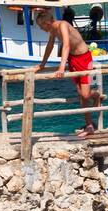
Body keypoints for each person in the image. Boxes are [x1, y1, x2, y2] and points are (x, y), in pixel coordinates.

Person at [35, 8, 100, 138]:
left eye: (40, 26)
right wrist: (42, 64)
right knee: (81, 95)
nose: (41, 29)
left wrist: (61, 67)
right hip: (73, 59)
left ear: (46, 23)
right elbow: (50, 46)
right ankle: (89, 126)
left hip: (84, 58)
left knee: (86, 95)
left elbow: (66, 45)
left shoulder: (63, 25)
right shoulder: (53, 30)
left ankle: (96, 94)